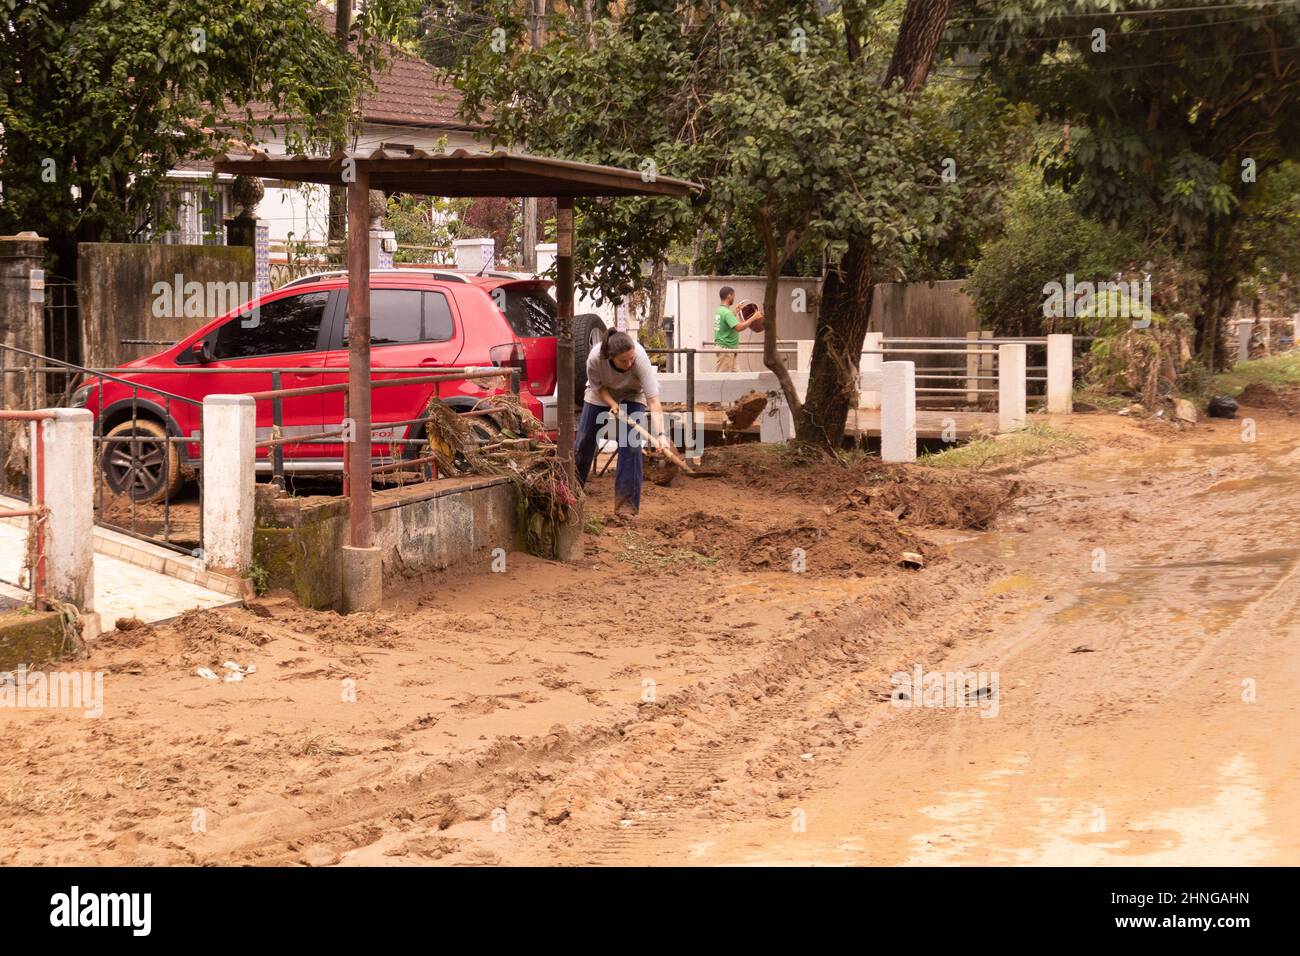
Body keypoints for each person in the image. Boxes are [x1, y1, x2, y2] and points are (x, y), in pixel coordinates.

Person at [574, 329, 668, 518]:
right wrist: (612, 404)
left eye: (631, 359)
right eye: (623, 361)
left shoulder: (639, 358)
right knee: (585, 440)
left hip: (633, 393)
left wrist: (661, 436)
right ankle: (571, 493)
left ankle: (627, 507)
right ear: (611, 357)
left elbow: (653, 400)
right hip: (602, 394)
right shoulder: (595, 359)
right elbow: (598, 387)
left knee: (631, 444)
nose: (629, 363)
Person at [713, 286, 761, 372]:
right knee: (722, 380)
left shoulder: (720, 310)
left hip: (729, 349)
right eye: (733, 296)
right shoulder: (727, 313)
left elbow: (727, 322)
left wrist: (735, 312)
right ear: (729, 296)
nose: (734, 298)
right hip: (726, 351)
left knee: (738, 377)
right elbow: (739, 327)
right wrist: (754, 317)